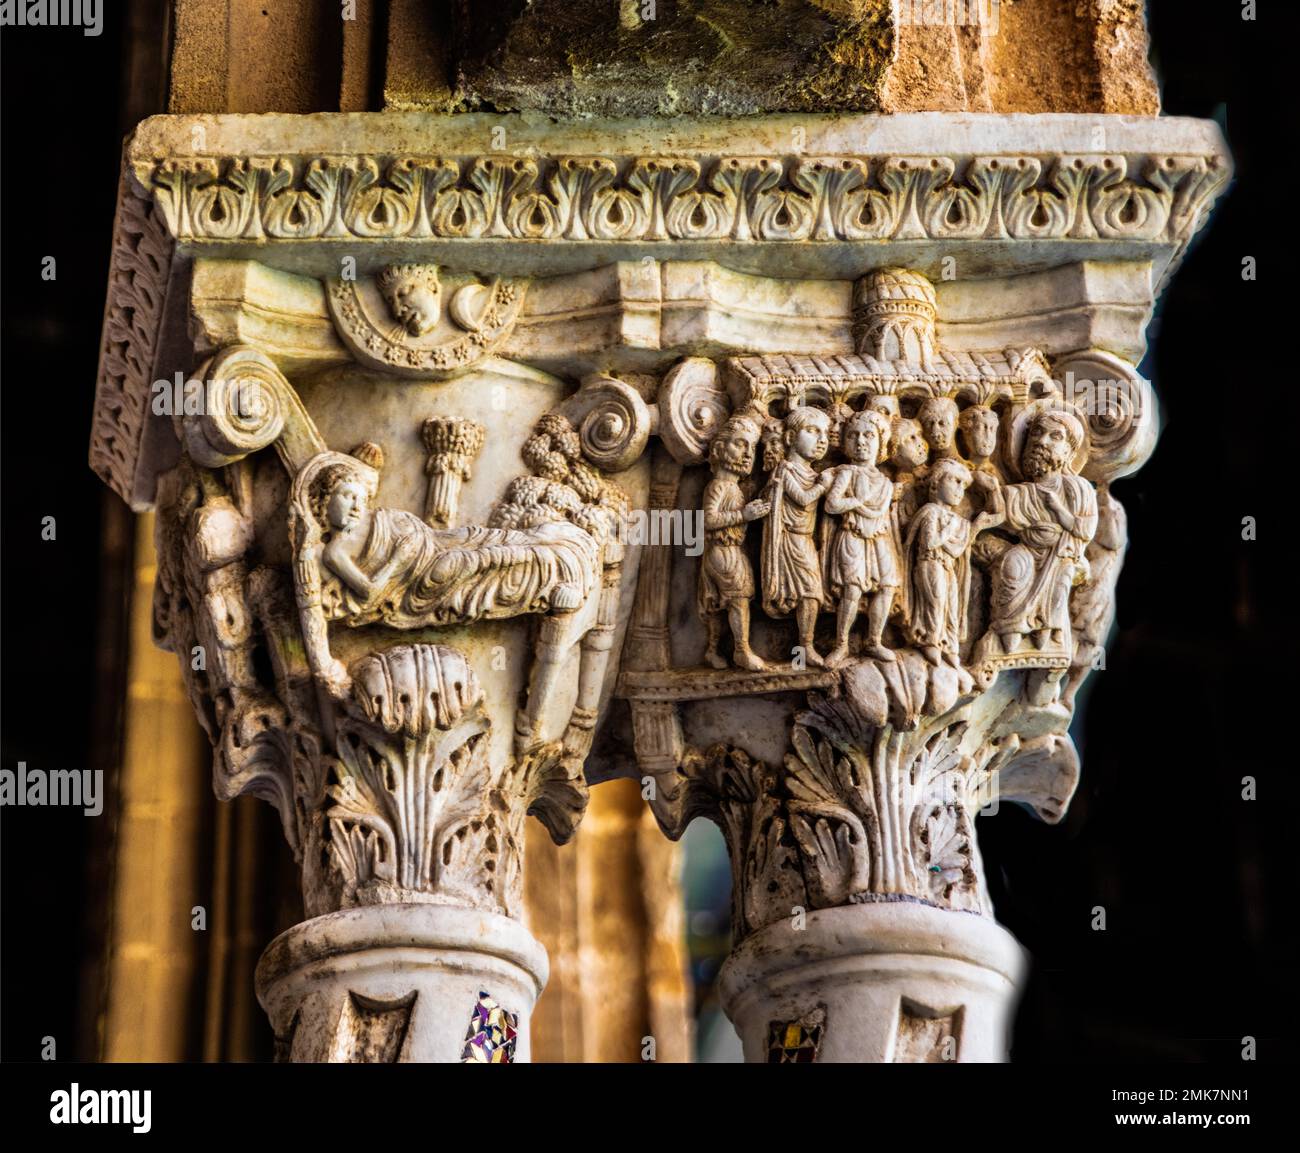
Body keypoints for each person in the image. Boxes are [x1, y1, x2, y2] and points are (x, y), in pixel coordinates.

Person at [822, 409, 901, 665]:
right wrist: (856, 501)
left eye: (869, 435)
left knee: (887, 587)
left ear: (881, 443)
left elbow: (886, 514)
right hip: (853, 535)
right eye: (854, 436)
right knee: (852, 589)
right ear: (845, 442)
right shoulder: (847, 472)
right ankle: (842, 644)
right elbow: (832, 504)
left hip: (878, 537)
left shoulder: (885, 481)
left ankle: (874, 641)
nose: (861, 441)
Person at [698, 413, 770, 671]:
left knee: (722, 601)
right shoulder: (718, 486)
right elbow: (707, 519)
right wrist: (743, 514)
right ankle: (741, 650)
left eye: (751, 447)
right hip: (722, 551)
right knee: (738, 598)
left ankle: (712, 649)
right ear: (719, 448)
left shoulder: (734, 487)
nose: (748, 452)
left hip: (731, 549)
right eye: (740, 444)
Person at [761, 406, 831, 666]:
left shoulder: (812, 474)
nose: (822, 439)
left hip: (805, 540)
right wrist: (823, 486)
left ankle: (802, 653)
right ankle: (803, 651)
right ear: (790, 438)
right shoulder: (785, 471)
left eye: (825, 433)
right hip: (790, 540)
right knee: (809, 593)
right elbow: (802, 499)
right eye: (813, 431)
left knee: (811, 595)